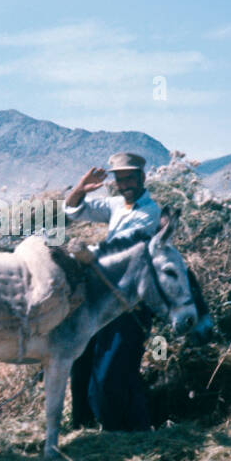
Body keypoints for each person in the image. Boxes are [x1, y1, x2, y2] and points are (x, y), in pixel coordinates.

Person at [63, 153, 164, 431]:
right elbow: (73, 211)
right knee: (81, 363)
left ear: (142, 178)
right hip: (102, 296)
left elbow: (121, 249)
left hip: (128, 301)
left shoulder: (150, 212)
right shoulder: (118, 204)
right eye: (119, 179)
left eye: (129, 178)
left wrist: (84, 253)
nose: (124, 184)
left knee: (113, 369)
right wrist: (80, 189)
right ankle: (82, 424)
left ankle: (122, 431)